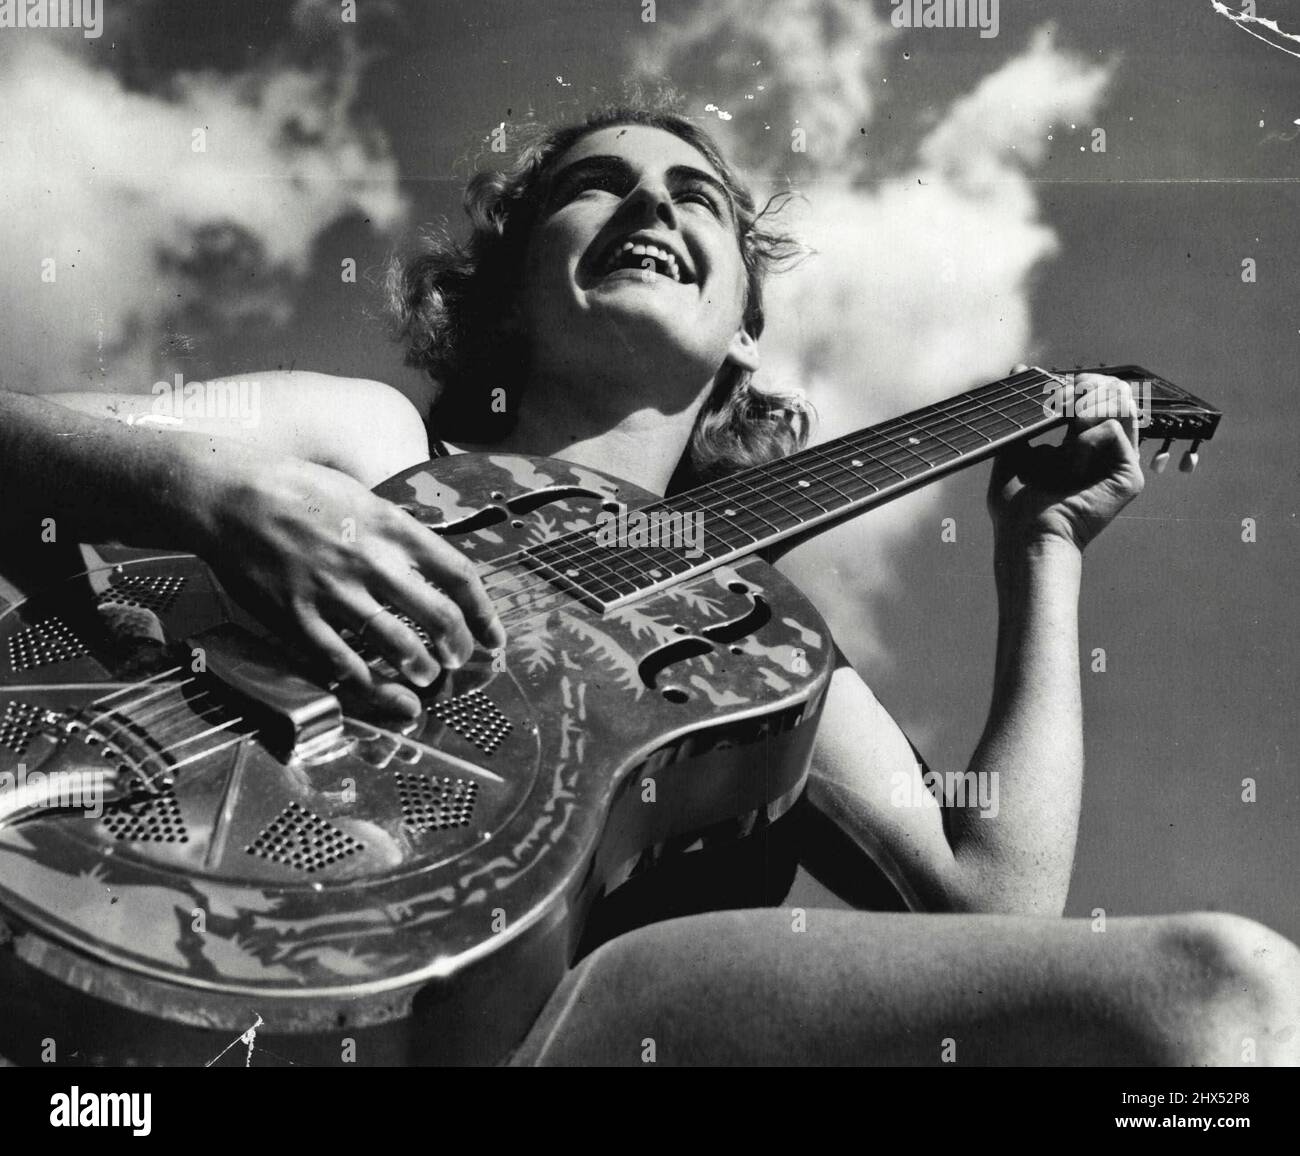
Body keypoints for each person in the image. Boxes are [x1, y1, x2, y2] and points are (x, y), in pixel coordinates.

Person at [0, 106, 1295, 1066]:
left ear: (744, 325)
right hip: (100, 872)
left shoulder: (751, 647)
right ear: (509, 284)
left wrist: (1044, 551)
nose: (653, 208)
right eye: (595, 185)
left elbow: (992, 912)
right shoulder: (366, 446)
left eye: (698, 198)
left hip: (556, 1028)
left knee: (1223, 996)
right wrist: (203, 494)